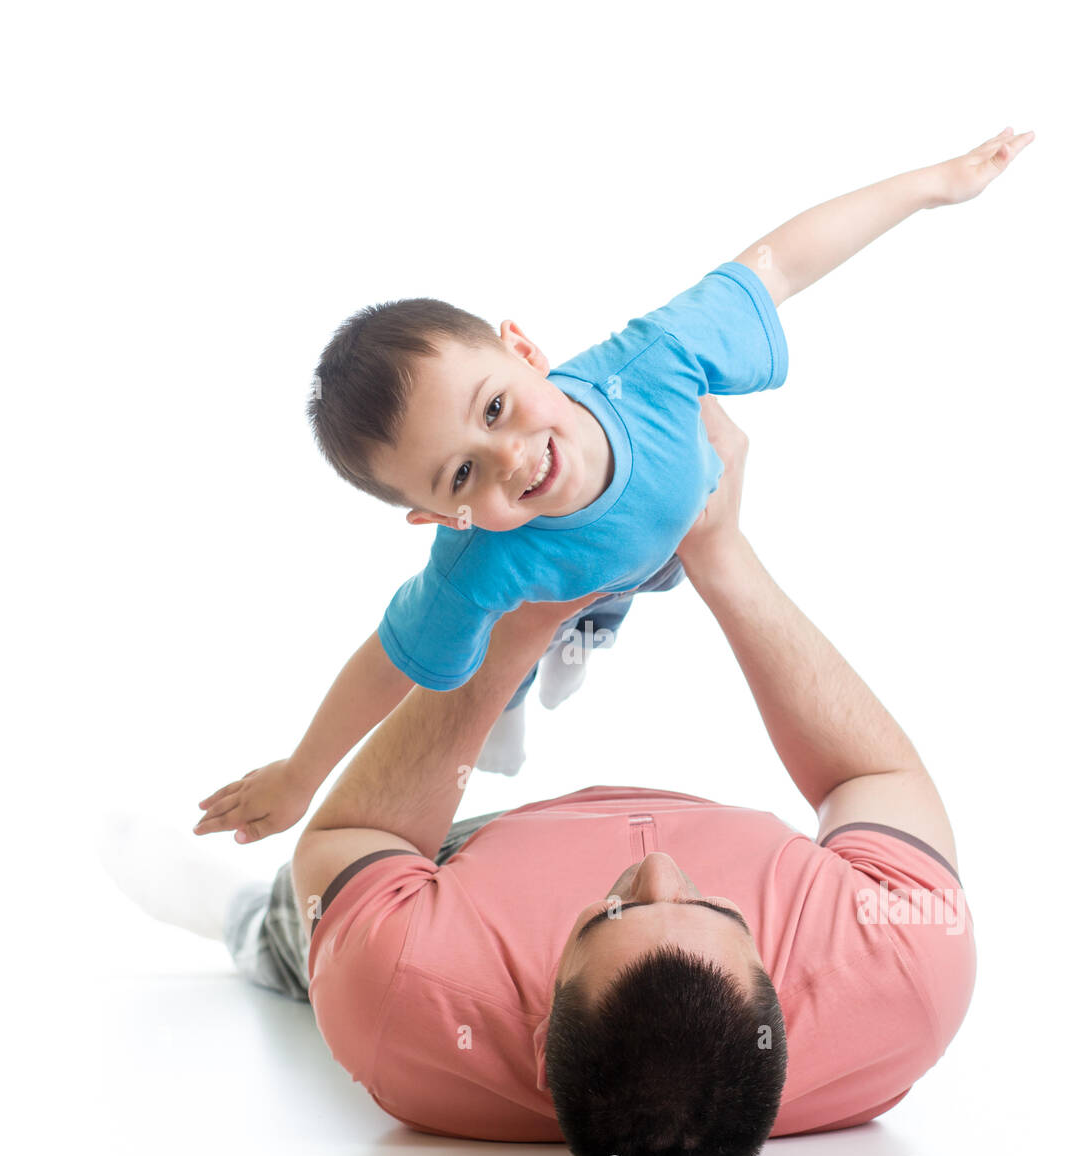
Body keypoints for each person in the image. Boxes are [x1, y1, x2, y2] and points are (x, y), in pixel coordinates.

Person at [106, 396, 976, 1156]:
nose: (664, 867)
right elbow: (875, 777)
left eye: (609, 913)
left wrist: (523, 619)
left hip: (448, 862)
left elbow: (350, 834)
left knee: (302, 925)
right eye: (719, 912)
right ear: (777, 1010)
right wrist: (719, 552)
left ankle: (241, 924)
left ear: (540, 1011)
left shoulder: (413, 992)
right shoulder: (906, 977)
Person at [194, 127, 1033, 826]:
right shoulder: (480, 563)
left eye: (495, 409)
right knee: (510, 661)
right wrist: (301, 774)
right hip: (569, 585)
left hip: (655, 552)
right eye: (462, 475)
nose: (513, 459)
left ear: (524, 351)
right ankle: (534, 682)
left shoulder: (655, 363)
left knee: (598, 603)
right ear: (438, 517)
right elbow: (388, 661)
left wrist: (934, 184)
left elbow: (777, 266)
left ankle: (584, 634)